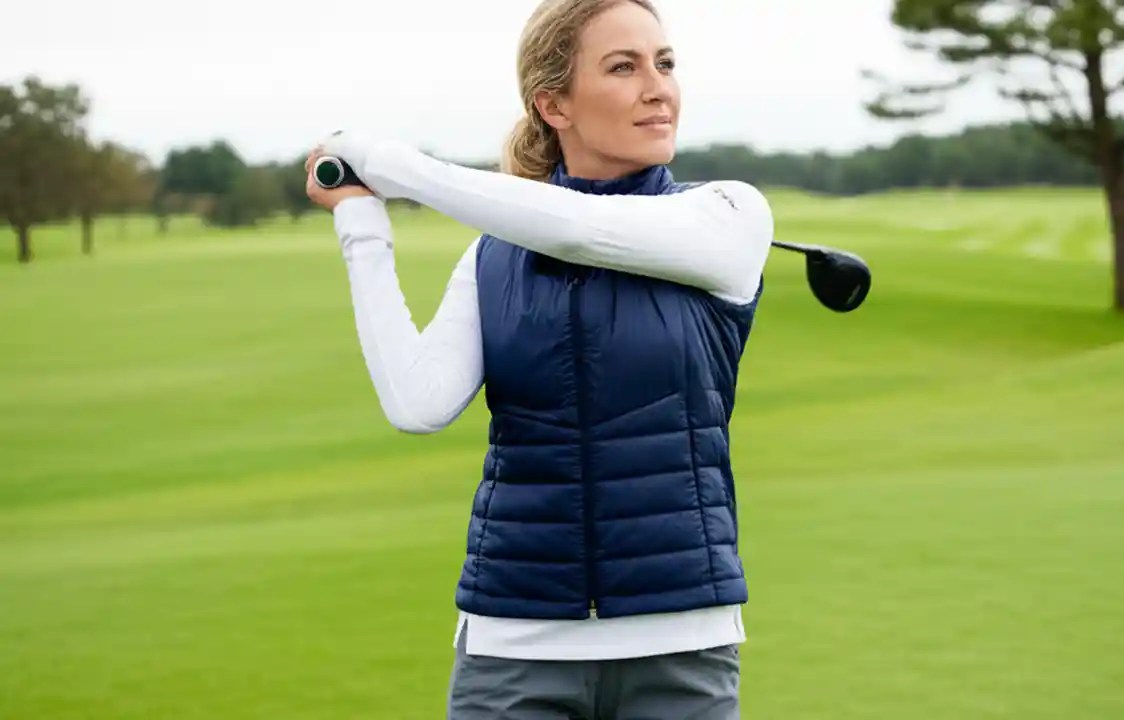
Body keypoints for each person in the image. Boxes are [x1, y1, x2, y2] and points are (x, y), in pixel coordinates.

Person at [304, 0, 773, 717]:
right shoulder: (493, 253)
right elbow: (418, 402)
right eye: (624, 66)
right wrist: (362, 222)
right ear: (553, 104)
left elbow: (581, 232)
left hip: (680, 644)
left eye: (665, 63)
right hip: (514, 646)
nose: (658, 86)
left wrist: (400, 167)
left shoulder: (729, 217)